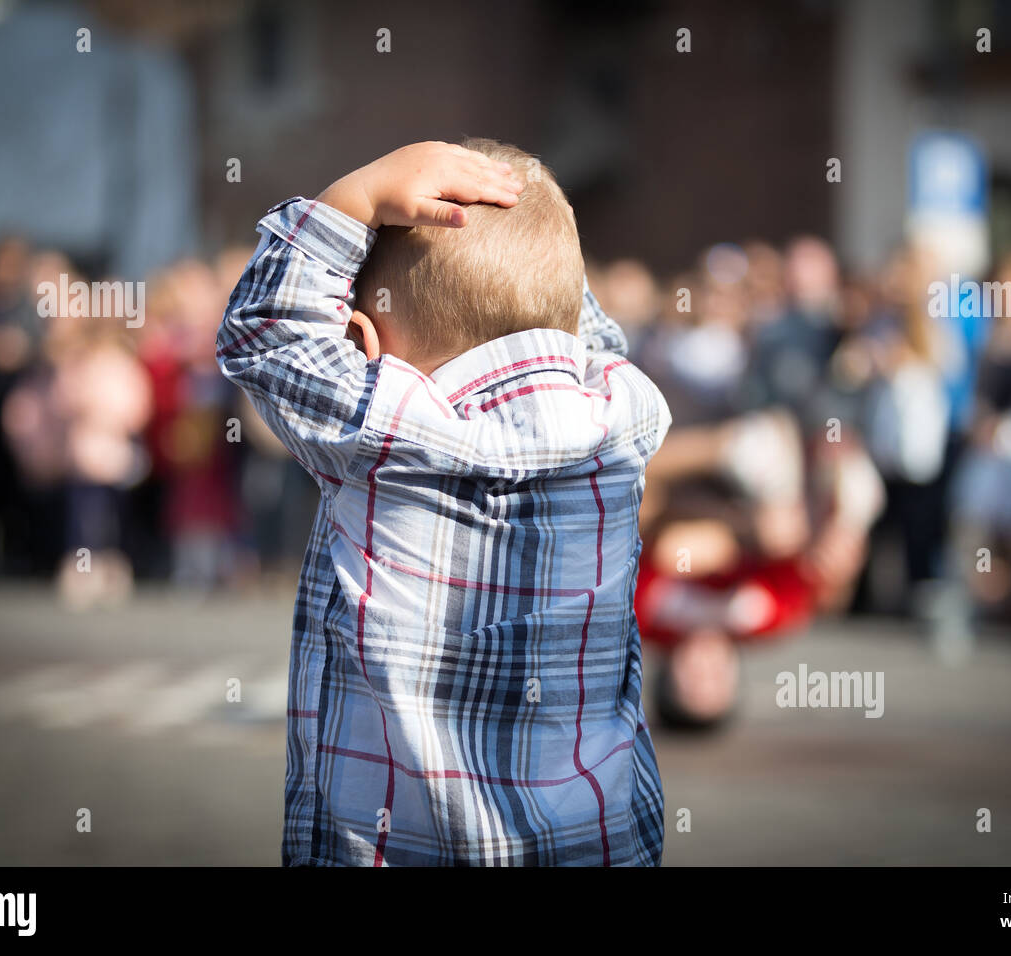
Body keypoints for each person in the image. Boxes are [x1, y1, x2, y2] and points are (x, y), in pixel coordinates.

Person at [217, 140, 671, 866]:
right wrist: (537, 219)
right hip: (596, 842)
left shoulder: (385, 434)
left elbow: (264, 334)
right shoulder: (623, 418)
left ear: (361, 340)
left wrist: (354, 195)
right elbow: (579, 332)